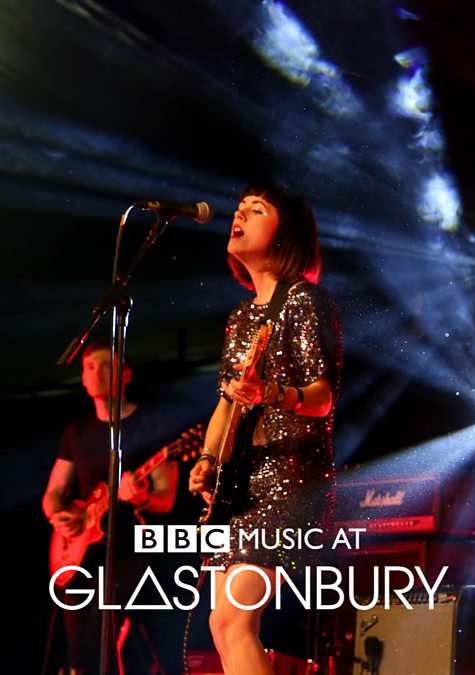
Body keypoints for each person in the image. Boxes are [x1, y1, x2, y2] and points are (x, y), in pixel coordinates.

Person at [188, 184, 341, 675]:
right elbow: (225, 404)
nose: (240, 216)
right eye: (239, 210)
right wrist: (208, 460)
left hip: (292, 481)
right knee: (222, 624)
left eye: (257, 210)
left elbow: (322, 399)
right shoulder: (241, 318)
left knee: (234, 621)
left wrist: (273, 395)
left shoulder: (306, 301)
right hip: (241, 485)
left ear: (286, 232)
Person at [43, 340, 183, 674]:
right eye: (90, 366)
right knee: (77, 644)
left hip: (129, 545)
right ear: (82, 378)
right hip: (80, 547)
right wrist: (58, 517)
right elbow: (54, 492)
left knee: (102, 632)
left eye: (107, 365)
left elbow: (166, 498)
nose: (98, 372)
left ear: (126, 374)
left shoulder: (152, 426)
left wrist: (142, 497)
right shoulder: (76, 432)